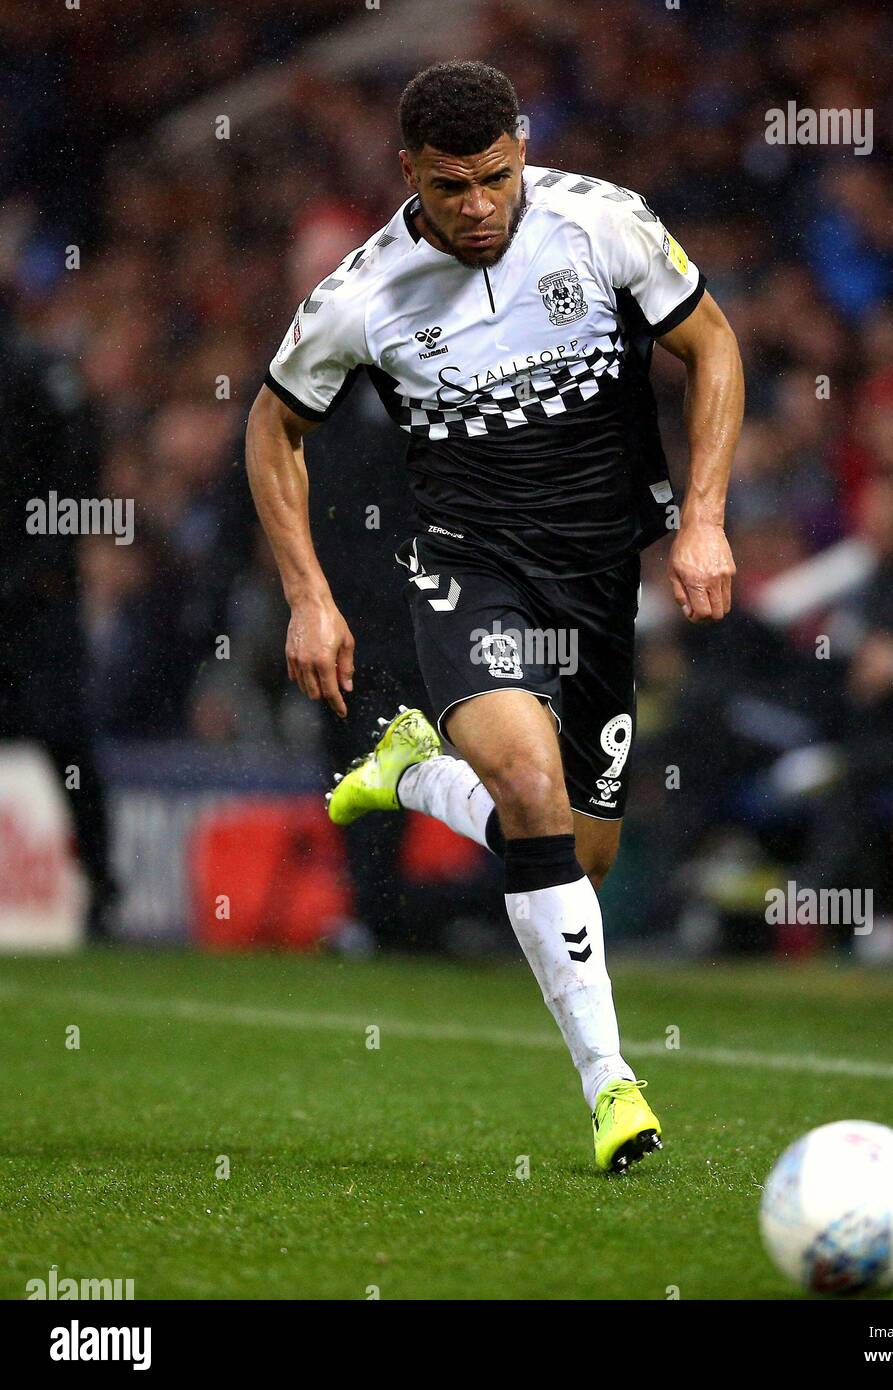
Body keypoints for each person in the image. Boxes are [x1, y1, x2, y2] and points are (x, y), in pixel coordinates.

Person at [245, 61, 743, 1173]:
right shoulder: (359, 293)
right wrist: (307, 596)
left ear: (521, 147)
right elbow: (272, 429)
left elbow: (711, 343)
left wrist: (702, 518)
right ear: (406, 171)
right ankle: (612, 1088)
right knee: (529, 790)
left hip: (598, 574)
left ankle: (415, 770)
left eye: (493, 178)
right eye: (449, 185)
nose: (476, 207)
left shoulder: (598, 223)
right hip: (470, 568)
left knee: (577, 853)